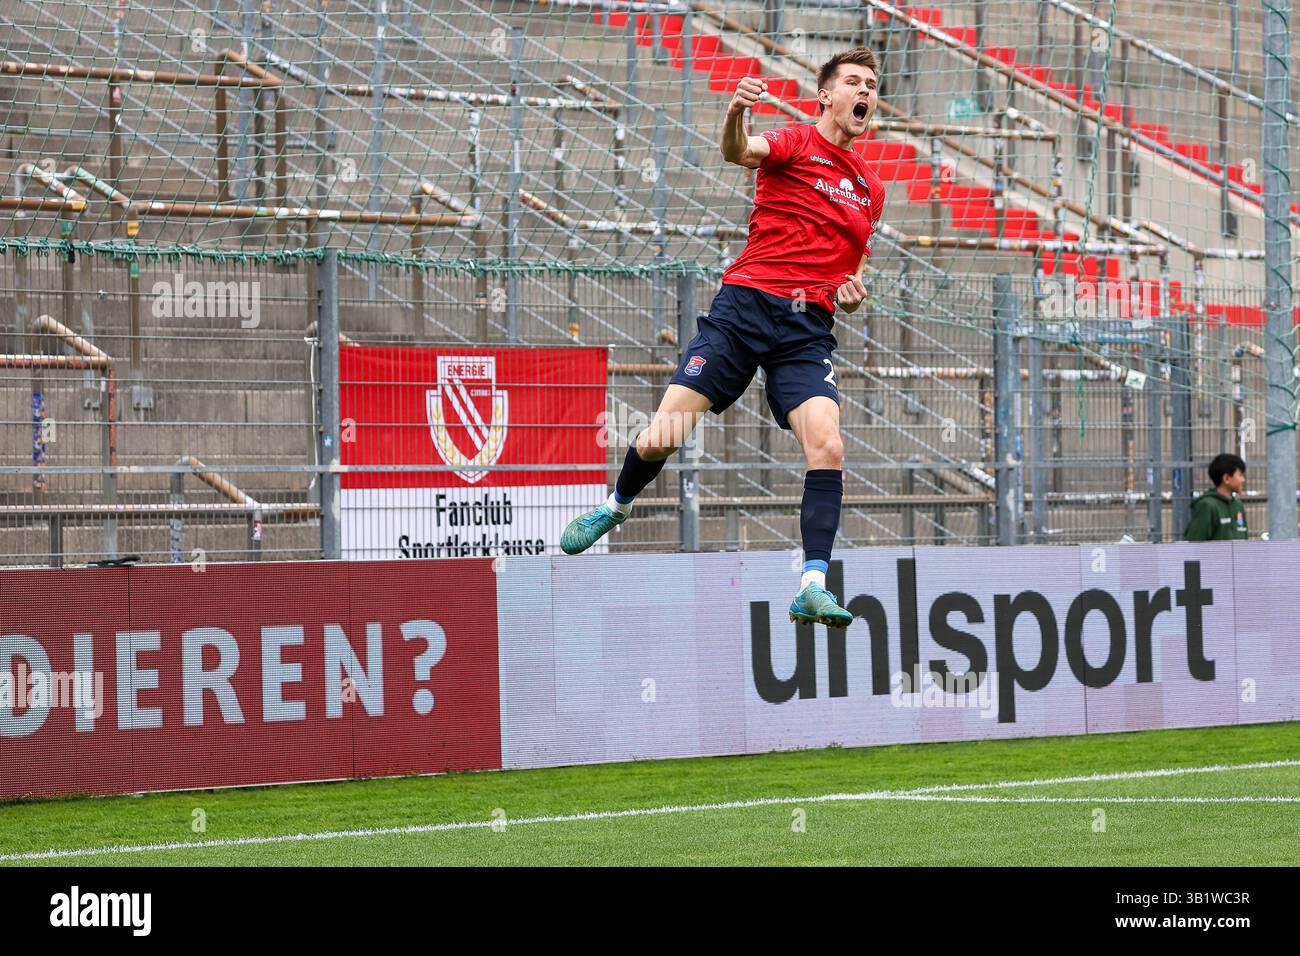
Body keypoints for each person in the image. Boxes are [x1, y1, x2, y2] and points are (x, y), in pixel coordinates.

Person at [560, 48, 886, 629]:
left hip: (805, 329)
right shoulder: (793, 143)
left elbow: (849, 275)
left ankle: (812, 582)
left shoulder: (870, 189)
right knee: (666, 432)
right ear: (827, 97)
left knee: (829, 447)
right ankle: (617, 506)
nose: (866, 91)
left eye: (873, 84)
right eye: (855, 82)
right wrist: (736, 112)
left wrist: (851, 294)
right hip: (744, 309)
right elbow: (740, 151)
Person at [1183, 453, 1249, 541]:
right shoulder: (1207, 505)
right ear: (1226, 479)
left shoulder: (1238, 505)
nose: (1243, 480)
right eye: (1240, 475)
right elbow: (1193, 543)